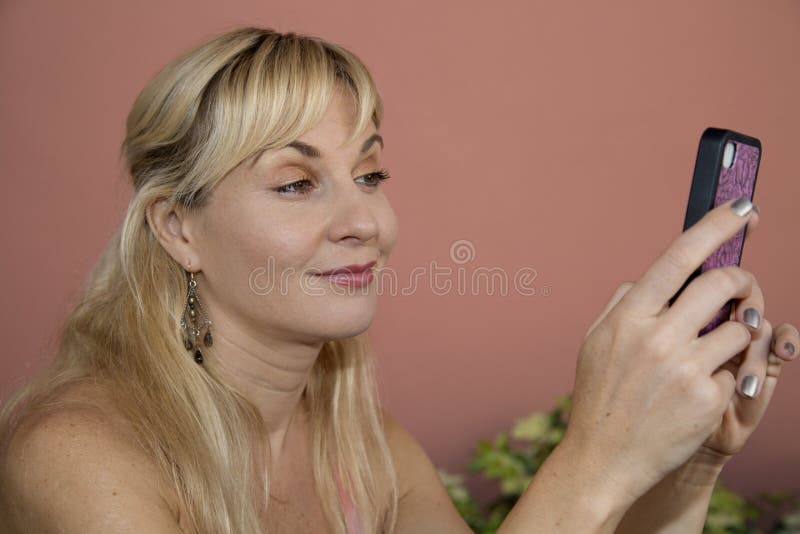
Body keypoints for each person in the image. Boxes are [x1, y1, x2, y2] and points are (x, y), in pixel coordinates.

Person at [0, 26, 797, 534]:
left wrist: (689, 465)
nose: (367, 224)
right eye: (295, 183)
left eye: (371, 175)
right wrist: (594, 461)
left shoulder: (370, 454)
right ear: (178, 228)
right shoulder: (76, 459)